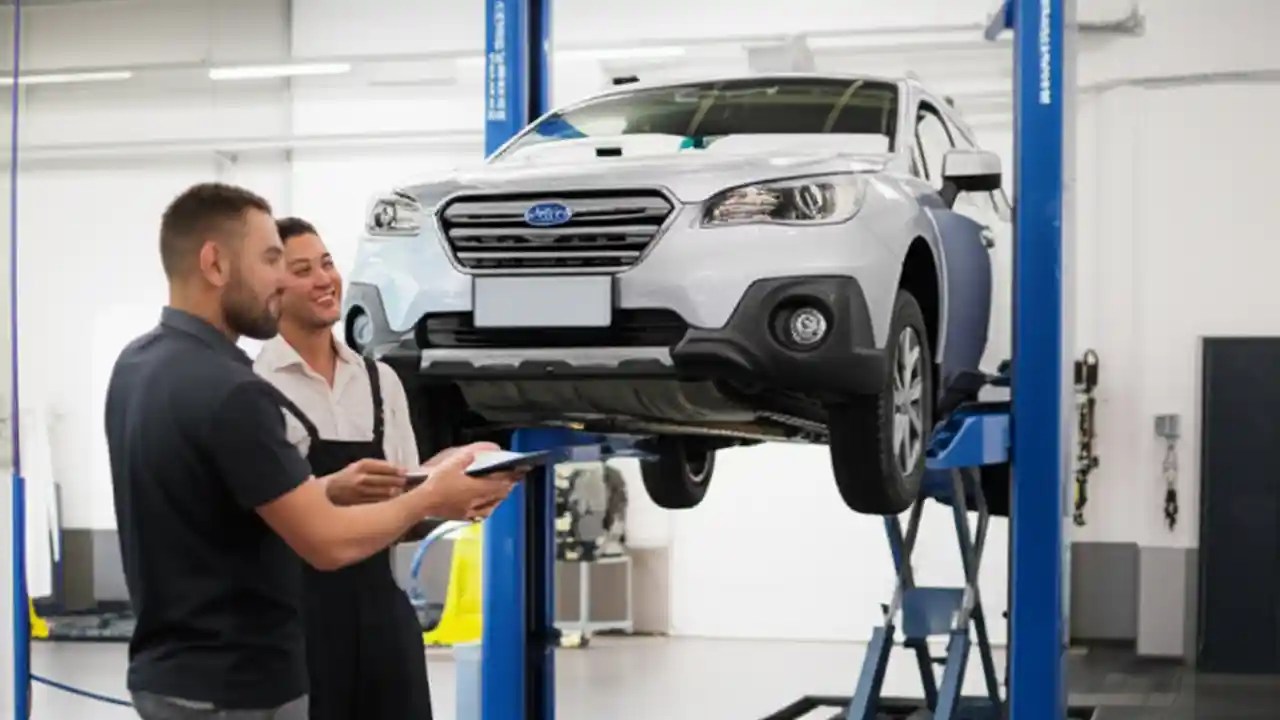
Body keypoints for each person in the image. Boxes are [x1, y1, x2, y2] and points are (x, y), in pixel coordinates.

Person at [105, 182, 519, 719]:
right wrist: (432, 495)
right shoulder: (237, 389)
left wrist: (331, 489)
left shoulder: (137, 364)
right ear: (215, 264)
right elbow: (325, 543)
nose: (282, 279)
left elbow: (221, 505)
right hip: (239, 685)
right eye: (272, 260)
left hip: (172, 673)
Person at [252, 216, 448, 719]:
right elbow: (252, 523)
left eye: (327, 263)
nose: (325, 279)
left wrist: (453, 486)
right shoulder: (252, 389)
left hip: (384, 622)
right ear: (272, 288)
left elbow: (409, 509)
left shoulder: (381, 381)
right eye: (303, 270)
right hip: (296, 628)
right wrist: (328, 492)